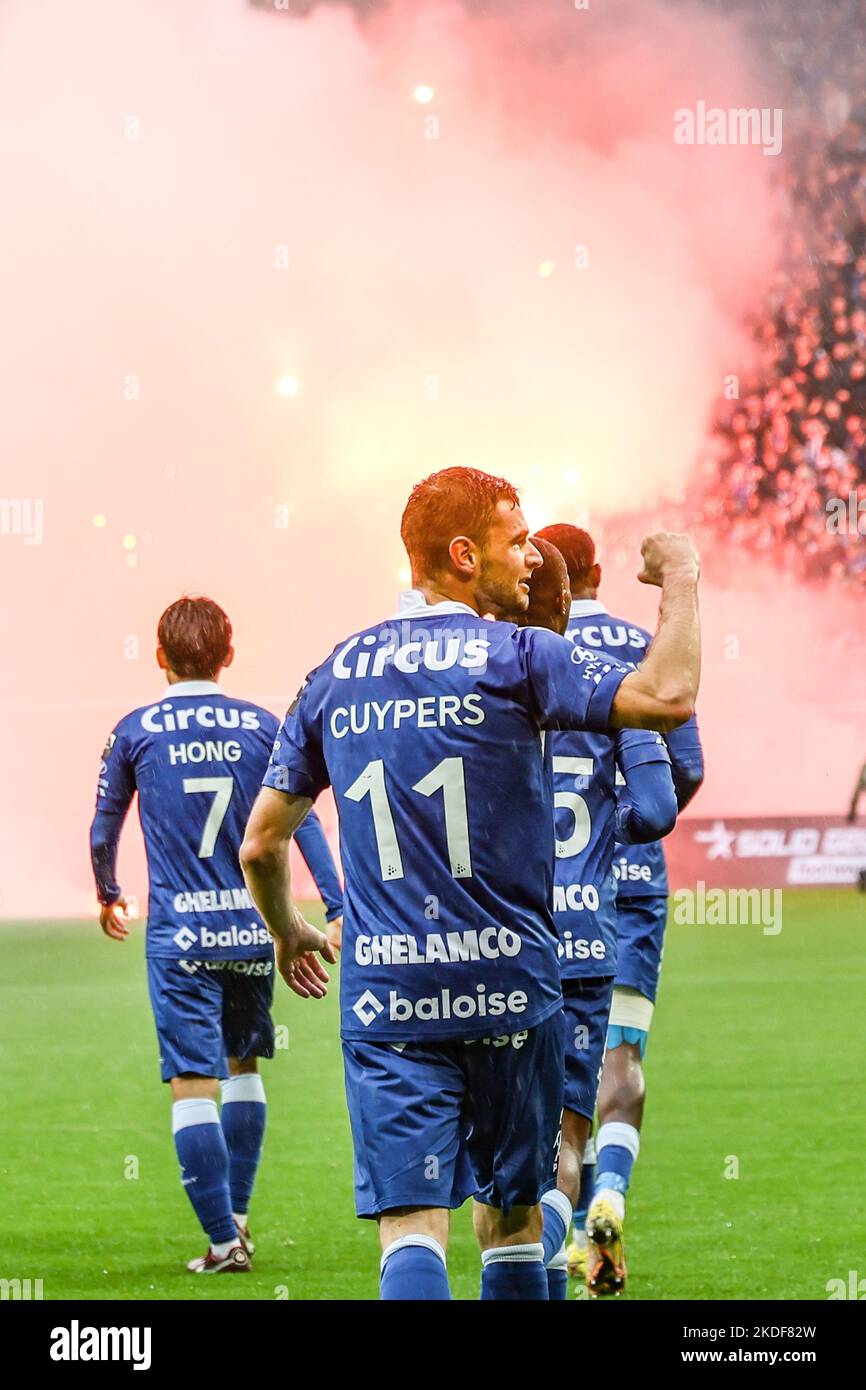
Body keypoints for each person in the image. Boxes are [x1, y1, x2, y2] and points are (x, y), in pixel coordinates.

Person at [241, 465, 701, 1301]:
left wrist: (290, 931)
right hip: (514, 990)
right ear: (463, 555)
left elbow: (261, 844)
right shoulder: (520, 655)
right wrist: (681, 576)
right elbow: (669, 695)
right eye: (515, 540)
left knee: (412, 1228)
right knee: (516, 1226)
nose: (531, 559)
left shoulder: (335, 674)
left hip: (390, 999)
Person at [90, 596, 343, 1273]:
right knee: (243, 1067)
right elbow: (304, 820)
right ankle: (237, 1218)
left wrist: (109, 891)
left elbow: (103, 826)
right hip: (253, 930)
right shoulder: (262, 728)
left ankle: (224, 1243)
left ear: (159, 655)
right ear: (228, 654)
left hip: (181, 940)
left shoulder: (136, 729)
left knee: (192, 1082)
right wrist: (335, 903)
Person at [536, 524, 704, 1296]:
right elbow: (685, 770)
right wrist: (623, 822)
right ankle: (611, 1197)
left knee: (558, 1106)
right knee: (622, 1060)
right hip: (628, 890)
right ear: (602, 571)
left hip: (544, 895)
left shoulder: (524, 654)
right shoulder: (644, 646)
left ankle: (559, 1247)